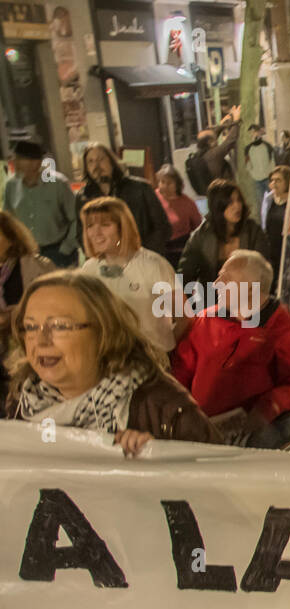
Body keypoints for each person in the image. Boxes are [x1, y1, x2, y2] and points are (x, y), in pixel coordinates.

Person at [5, 271, 219, 453]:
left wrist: (163, 459)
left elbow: (221, 487)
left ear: (103, 331)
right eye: (31, 327)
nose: (41, 341)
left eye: (60, 326)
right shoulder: (22, 400)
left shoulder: (162, 407)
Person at [171, 251, 290, 448]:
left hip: (257, 426)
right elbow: (182, 368)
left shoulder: (284, 330)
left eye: (225, 278)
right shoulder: (206, 320)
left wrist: (269, 407)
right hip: (202, 424)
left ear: (250, 289)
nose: (215, 284)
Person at [78, 197, 177, 351]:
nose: (96, 232)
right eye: (90, 226)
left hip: (153, 360)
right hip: (110, 357)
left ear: (122, 228)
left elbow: (184, 317)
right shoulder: (89, 270)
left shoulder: (153, 265)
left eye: (105, 225)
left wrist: (164, 351)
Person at [77, 143, 170, 257]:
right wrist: (99, 257)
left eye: (101, 159)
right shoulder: (83, 197)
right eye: (90, 161)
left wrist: (142, 254)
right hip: (107, 264)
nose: (96, 165)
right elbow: (80, 233)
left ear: (112, 161)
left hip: (142, 259)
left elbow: (162, 227)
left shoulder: (141, 188)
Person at [0, 212, 56, 397]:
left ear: (11, 238)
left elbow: (54, 305)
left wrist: (16, 314)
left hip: (27, 349)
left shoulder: (36, 265)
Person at [178, 180, 273, 288]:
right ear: (217, 206)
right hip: (211, 297)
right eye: (230, 202)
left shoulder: (253, 231)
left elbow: (264, 270)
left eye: (239, 200)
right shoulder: (201, 235)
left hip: (247, 297)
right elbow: (185, 274)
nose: (237, 206)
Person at [3, 140, 79, 267]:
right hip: (26, 255)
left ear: (35, 163)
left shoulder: (58, 184)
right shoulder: (11, 186)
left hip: (58, 252)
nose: (14, 162)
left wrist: (66, 248)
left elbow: (76, 218)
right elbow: (8, 222)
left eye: (19, 158)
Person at [154, 165, 202, 269]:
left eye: (169, 183)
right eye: (162, 182)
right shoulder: (154, 197)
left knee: (178, 281)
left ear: (177, 184)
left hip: (179, 251)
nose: (165, 186)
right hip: (158, 249)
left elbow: (197, 226)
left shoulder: (187, 203)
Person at [188, 109, 241, 195]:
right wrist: (236, 120)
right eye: (214, 138)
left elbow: (213, 134)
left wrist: (223, 124)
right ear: (210, 142)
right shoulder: (213, 155)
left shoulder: (202, 153)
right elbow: (231, 140)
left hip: (215, 193)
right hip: (225, 193)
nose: (216, 138)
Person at [261, 165, 290, 262]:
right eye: (272, 180)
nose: (273, 184)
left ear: (288, 182)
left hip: (287, 250)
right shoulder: (268, 199)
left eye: (278, 180)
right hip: (270, 250)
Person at [244, 124, 276, 211]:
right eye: (251, 133)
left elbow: (272, 161)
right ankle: (264, 223)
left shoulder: (267, 146)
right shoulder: (248, 149)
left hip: (268, 179)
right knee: (261, 204)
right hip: (257, 180)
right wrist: (252, 173)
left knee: (273, 201)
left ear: (259, 132)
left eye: (255, 132)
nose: (253, 134)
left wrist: (271, 174)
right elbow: (247, 164)